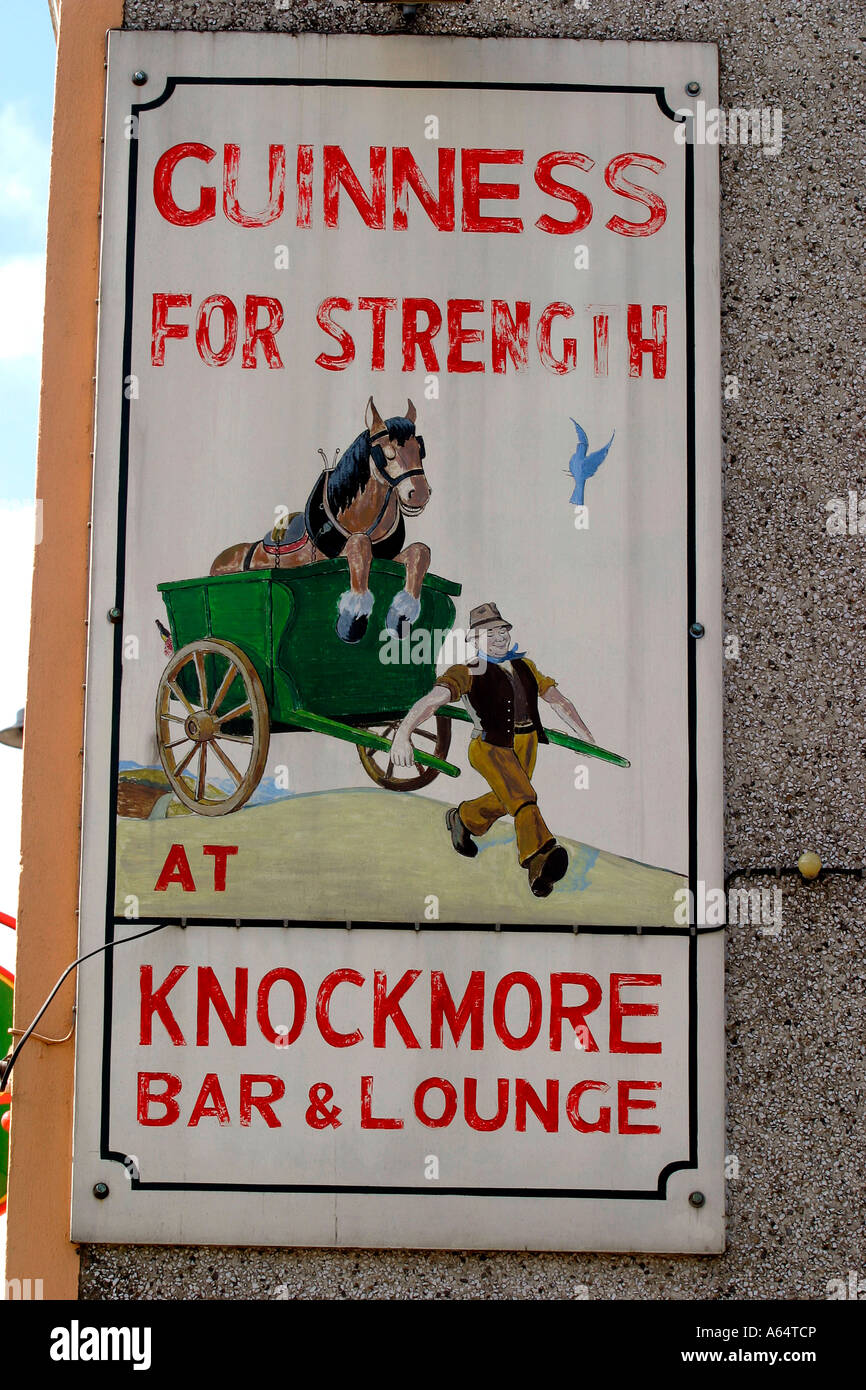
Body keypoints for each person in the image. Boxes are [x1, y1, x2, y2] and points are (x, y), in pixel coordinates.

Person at [390, 602, 595, 897]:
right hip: (489, 746)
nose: (499, 637)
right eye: (490, 632)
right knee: (524, 798)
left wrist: (584, 735)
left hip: (526, 743)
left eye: (502, 630)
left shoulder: (526, 666)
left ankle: (464, 818)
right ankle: (539, 858)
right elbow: (433, 701)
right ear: (473, 640)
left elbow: (557, 700)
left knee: (507, 800)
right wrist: (403, 734)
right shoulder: (466, 671)